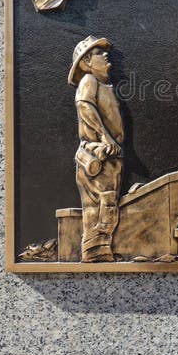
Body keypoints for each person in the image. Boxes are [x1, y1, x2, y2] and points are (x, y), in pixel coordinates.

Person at [68, 36, 123, 263]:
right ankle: (94, 254)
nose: (105, 55)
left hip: (109, 156)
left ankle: (102, 252)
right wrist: (104, 136)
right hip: (98, 156)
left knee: (105, 207)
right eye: (99, 53)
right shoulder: (89, 80)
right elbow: (84, 105)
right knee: (102, 206)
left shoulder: (100, 84)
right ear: (86, 63)